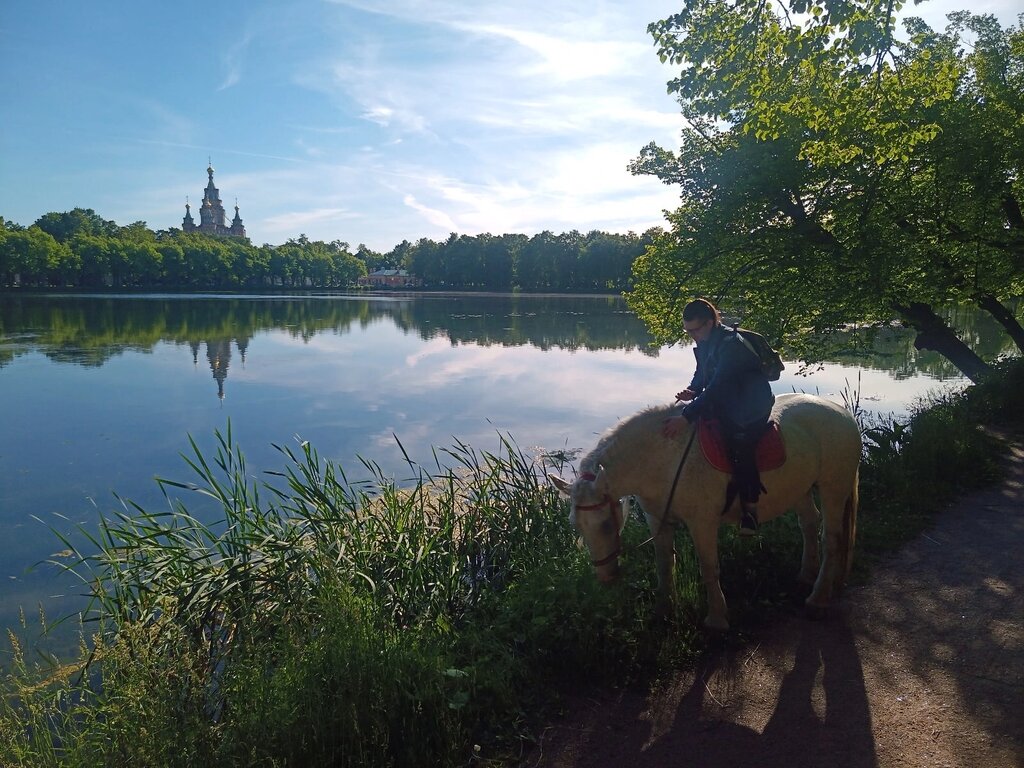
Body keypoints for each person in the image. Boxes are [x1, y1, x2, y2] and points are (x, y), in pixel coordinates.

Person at [661, 299, 775, 535]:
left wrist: (686, 416)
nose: (692, 335)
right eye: (687, 331)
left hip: (751, 405)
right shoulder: (706, 341)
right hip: (728, 400)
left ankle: (750, 510)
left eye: (695, 330)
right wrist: (693, 389)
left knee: (741, 444)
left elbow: (718, 387)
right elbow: (702, 373)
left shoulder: (731, 344)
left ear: (710, 322)